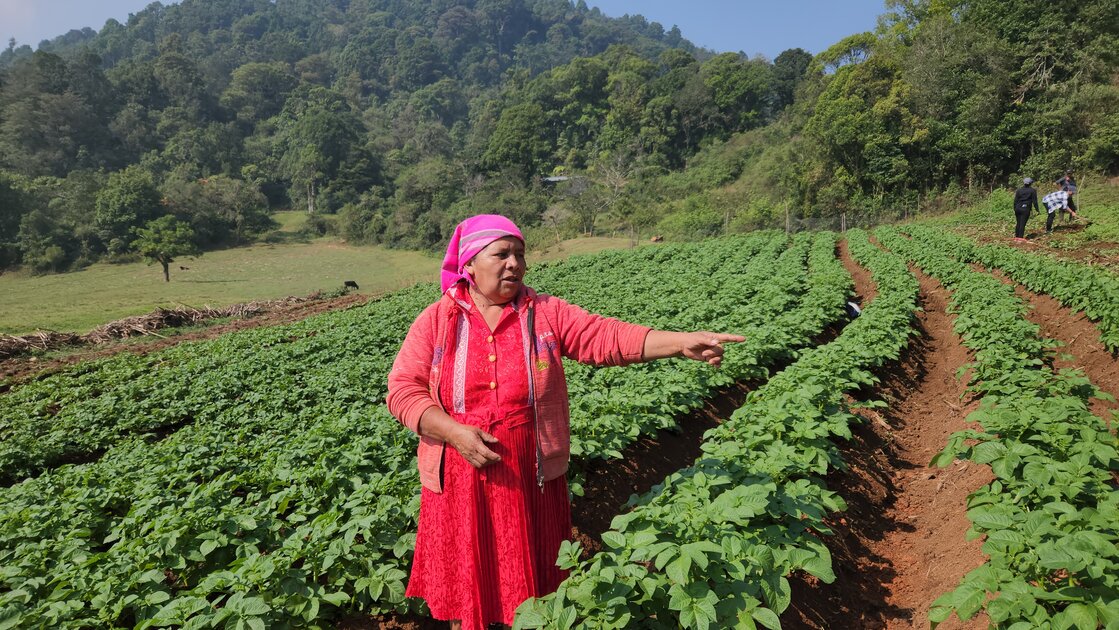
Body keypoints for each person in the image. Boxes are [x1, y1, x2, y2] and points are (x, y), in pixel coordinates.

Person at [386, 214, 743, 630]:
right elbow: (403, 392)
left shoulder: (545, 313)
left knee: (534, 594)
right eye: (501, 254)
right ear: (468, 264)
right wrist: (452, 432)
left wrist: (680, 343)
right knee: (471, 591)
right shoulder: (436, 321)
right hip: (461, 480)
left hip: (530, 477)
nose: (514, 264)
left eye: (519, 254)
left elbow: (606, 338)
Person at [1012, 177, 1039, 241]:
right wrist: (1037, 210)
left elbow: (1015, 200)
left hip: (1018, 208)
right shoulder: (1032, 190)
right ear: (1030, 183)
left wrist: (1015, 208)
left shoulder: (1019, 190)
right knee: (1022, 223)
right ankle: (1020, 238)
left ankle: (1016, 237)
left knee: (1018, 223)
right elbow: (1034, 201)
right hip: (1025, 208)